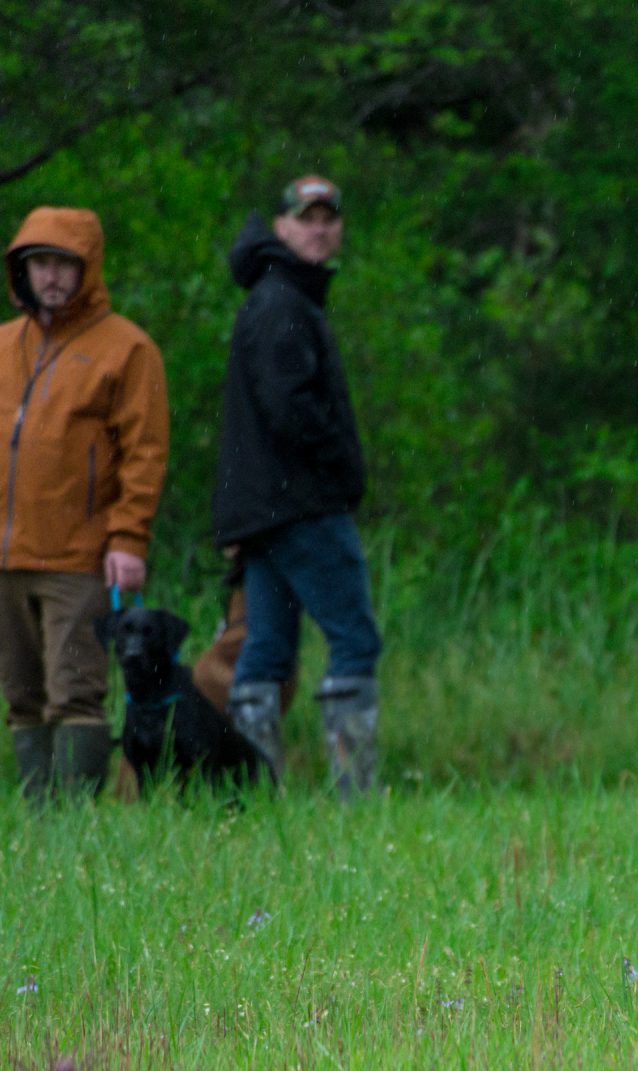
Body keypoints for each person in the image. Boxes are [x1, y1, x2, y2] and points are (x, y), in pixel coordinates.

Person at [215, 175, 380, 799]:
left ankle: (255, 794)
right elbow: (290, 410)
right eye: (306, 218)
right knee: (354, 640)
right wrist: (342, 471)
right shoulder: (282, 304)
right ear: (281, 227)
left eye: (328, 219)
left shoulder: (274, 296)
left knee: (266, 650)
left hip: (266, 512)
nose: (319, 229)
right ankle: (355, 794)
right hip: (303, 505)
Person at [1, 207, 168, 802]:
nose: (50, 276)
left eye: (63, 264)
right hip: (7, 555)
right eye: (39, 263)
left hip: (80, 555)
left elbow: (145, 454)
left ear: (88, 269)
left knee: (74, 691)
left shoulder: (128, 349)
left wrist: (128, 539)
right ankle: (40, 818)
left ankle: (74, 824)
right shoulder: (3, 345)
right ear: (22, 272)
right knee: (21, 695)